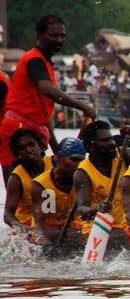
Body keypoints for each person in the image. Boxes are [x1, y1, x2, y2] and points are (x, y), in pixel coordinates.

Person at [1, 15, 96, 178]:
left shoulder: (46, 63)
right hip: (17, 131)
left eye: (62, 36)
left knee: (41, 189)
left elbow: (45, 115)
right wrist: (82, 106)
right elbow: (47, 90)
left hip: (35, 131)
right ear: (39, 35)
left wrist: (57, 150)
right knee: (19, 191)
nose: (59, 40)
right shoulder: (34, 59)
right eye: (53, 35)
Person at [73, 121, 130, 247]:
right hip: (97, 227)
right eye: (105, 140)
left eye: (111, 139)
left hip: (125, 225)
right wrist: (98, 208)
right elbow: (83, 210)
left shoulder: (122, 153)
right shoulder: (83, 173)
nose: (112, 143)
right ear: (90, 146)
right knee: (119, 237)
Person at [31, 138, 85, 247]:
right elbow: (40, 222)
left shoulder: (84, 180)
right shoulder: (41, 184)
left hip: (75, 230)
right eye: (74, 159)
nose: (78, 165)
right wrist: (46, 244)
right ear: (59, 158)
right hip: (50, 228)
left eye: (81, 160)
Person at [3, 127, 52, 238]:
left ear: (40, 146)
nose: (29, 150)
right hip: (29, 224)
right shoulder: (16, 178)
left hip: (53, 220)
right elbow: (8, 215)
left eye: (31, 145)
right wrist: (23, 229)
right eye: (23, 148)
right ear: (17, 154)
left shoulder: (55, 164)